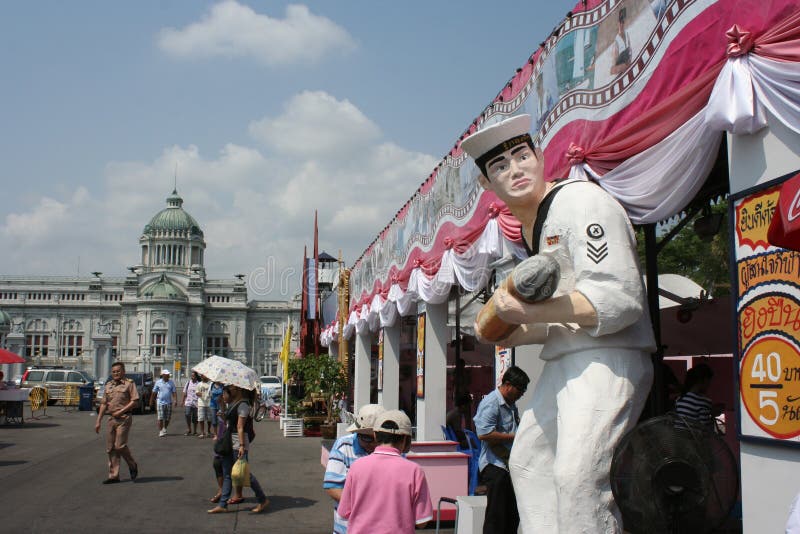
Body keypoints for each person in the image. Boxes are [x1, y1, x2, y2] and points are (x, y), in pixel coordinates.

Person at [462, 114, 655, 533]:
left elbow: (620, 300)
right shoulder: (538, 225)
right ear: (486, 184)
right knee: (529, 463)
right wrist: (507, 327)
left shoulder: (580, 201)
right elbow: (559, 322)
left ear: (540, 156)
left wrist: (528, 314)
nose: (514, 170)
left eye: (521, 156)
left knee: (578, 478)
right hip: (565, 362)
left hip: (607, 359)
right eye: (499, 166)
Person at [338, 409, 433, 533]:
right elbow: (422, 522)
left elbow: (344, 512)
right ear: (405, 439)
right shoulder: (414, 471)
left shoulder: (357, 466)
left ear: (376, 435)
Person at [473, 366, 529, 533]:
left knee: (512, 514)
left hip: (508, 465)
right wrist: (515, 437)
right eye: (520, 390)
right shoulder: (492, 403)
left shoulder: (511, 404)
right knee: (496, 516)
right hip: (495, 466)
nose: (521, 394)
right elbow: (484, 434)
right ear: (508, 385)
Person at [323, 403, 386, 534]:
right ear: (358, 433)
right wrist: (366, 506)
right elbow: (332, 487)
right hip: (348, 527)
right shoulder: (343, 446)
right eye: (366, 438)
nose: (372, 444)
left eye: (378, 439)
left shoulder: (394, 450)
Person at [208, 385, 269, 514]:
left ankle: (263, 500)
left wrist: (241, 446)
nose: (230, 390)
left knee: (243, 473)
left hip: (238, 441)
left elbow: (240, 427)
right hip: (230, 440)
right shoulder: (234, 403)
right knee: (227, 473)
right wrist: (223, 409)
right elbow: (229, 422)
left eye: (232, 388)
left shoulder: (243, 405)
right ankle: (223, 504)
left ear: (239, 390)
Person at [94, 361, 139, 484]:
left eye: (118, 371)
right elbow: (104, 404)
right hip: (111, 419)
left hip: (124, 418)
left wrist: (121, 411)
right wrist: (98, 421)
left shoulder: (129, 384)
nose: (116, 373)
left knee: (120, 446)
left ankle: (132, 464)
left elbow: (134, 401)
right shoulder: (108, 385)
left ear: (123, 371)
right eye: (113, 372)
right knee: (110, 448)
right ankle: (114, 475)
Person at [209, 387, 244, 505]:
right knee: (218, 463)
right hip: (224, 436)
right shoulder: (229, 404)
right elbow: (226, 421)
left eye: (224, 394)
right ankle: (222, 493)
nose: (222, 396)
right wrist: (222, 407)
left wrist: (242, 445)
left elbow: (237, 425)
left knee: (237, 469)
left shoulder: (240, 405)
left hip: (233, 439)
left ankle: (238, 494)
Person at [675, 363, 720, 429]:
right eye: (709, 381)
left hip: (677, 437)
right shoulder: (703, 402)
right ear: (703, 380)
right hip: (692, 438)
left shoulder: (679, 399)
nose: (709, 385)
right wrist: (712, 415)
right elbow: (706, 430)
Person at [151, 369, 177, 437]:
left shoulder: (171, 382)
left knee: (168, 418)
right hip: (160, 402)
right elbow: (154, 392)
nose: (168, 375)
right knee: (160, 417)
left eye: (168, 374)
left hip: (168, 402)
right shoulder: (158, 382)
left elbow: (174, 392)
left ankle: (164, 428)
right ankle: (160, 431)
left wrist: (175, 400)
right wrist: (151, 401)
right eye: (166, 374)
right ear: (163, 375)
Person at [610, 7, 632, 76]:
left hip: (627, 61)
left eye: (623, 22)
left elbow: (630, 50)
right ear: (618, 24)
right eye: (620, 22)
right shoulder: (616, 41)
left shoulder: (627, 34)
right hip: (620, 65)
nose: (621, 24)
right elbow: (613, 69)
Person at [183, 371, 200, 436]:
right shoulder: (188, 383)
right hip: (188, 402)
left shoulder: (199, 384)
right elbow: (185, 392)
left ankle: (195, 431)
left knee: (195, 417)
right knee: (187, 414)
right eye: (191, 376)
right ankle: (189, 429)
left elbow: (201, 393)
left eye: (193, 376)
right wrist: (182, 401)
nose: (192, 377)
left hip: (196, 403)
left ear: (196, 376)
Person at [195, 374, 212, 438]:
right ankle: (202, 432)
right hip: (201, 403)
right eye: (201, 376)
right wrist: (199, 393)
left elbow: (212, 392)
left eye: (203, 376)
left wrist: (209, 394)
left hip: (209, 403)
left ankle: (208, 431)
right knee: (201, 418)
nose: (201, 377)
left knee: (209, 418)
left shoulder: (211, 384)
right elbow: (196, 392)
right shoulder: (199, 384)